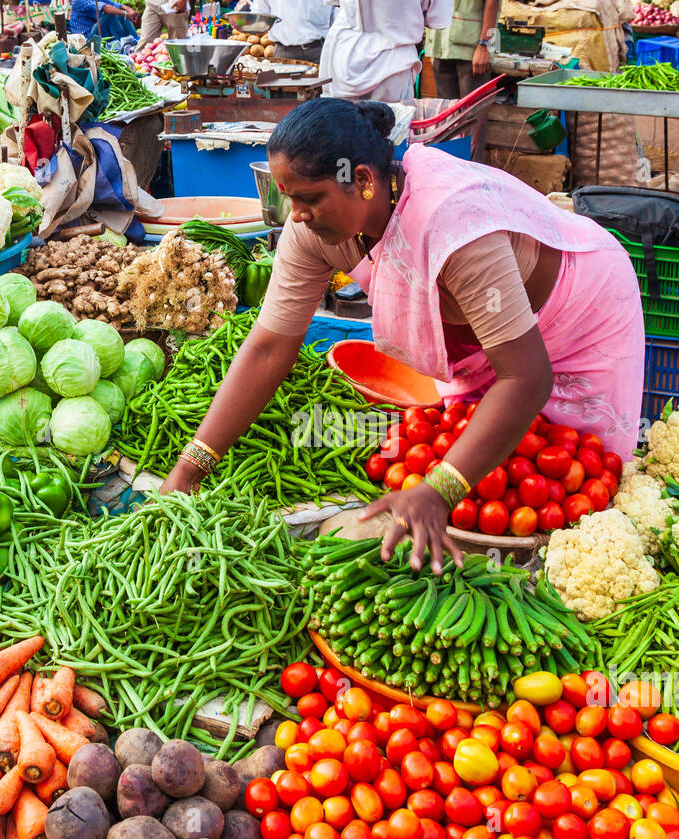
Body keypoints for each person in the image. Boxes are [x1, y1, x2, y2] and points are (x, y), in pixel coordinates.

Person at [161, 98, 644, 571]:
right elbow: (269, 347)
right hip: (480, 336)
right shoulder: (312, 229)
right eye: (289, 197)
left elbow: (525, 378)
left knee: (578, 484)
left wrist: (440, 489)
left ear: (364, 181)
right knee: (493, 465)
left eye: (309, 198)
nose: (297, 215)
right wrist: (189, 469)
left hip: (578, 311)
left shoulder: (452, 222)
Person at [319, 0, 452, 101]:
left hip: (344, 53)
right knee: (391, 131)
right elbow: (436, 19)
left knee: (340, 129)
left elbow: (335, 3)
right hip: (393, 60)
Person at [426, 0, 498, 99]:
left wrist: (484, 45)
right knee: (446, 109)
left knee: (471, 110)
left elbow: (492, 2)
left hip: (471, 50)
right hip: (440, 44)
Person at [235, 0, 334, 63]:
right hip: (283, 53)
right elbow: (262, 12)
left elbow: (337, 12)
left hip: (318, 51)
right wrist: (245, 19)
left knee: (322, 94)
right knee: (284, 95)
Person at [70, 0, 137, 42]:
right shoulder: (79, 1)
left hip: (95, 31)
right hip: (85, 39)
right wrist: (126, 14)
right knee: (110, 15)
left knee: (121, 14)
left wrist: (130, 11)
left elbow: (117, 5)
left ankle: (134, 39)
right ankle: (122, 42)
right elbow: (106, 8)